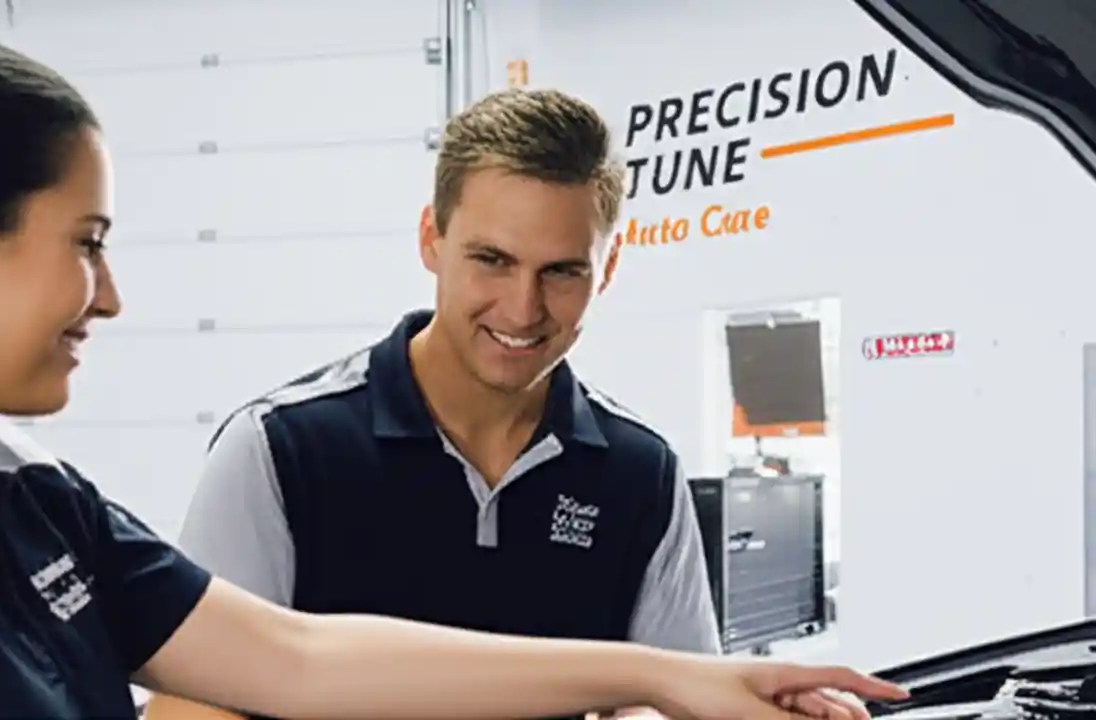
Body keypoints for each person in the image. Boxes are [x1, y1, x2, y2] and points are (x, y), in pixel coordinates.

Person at [0, 34, 908, 720]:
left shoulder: (29, 495)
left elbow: (297, 660)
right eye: (88, 242)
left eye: (562, 271)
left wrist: (669, 678)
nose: (109, 298)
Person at [148, 88, 725, 720]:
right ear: (431, 238)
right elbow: (194, 711)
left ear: (608, 266)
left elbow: (677, 700)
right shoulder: (278, 450)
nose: (522, 308)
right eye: (492, 260)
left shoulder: (643, 475)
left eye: (562, 272)